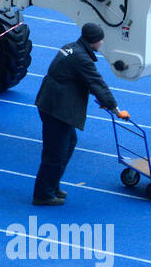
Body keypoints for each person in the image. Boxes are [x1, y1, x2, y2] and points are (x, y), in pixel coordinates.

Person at [32, 22, 129, 206]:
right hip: (57, 108)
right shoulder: (82, 59)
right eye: (101, 40)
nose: (102, 43)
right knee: (55, 153)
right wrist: (115, 109)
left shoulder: (70, 47)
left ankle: (52, 185)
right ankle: (43, 194)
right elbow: (96, 83)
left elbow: (78, 78)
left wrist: (100, 99)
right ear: (94, 41)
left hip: (50, 101)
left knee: (68, 144)